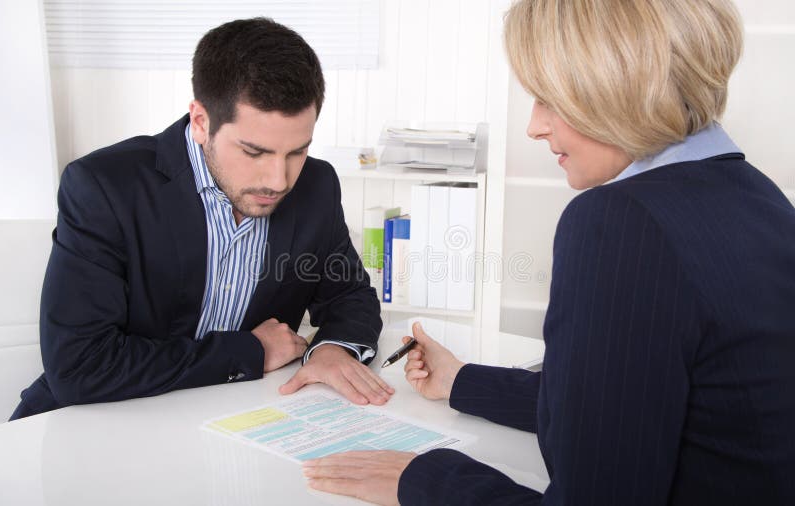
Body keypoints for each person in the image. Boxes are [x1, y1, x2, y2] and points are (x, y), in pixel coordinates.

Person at [301, 0, 795, 504]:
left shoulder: (621, 221)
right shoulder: (759, 196)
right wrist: (462, 383)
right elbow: (637, 402)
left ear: (616, 86)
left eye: (548, 99)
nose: (535, 126)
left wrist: (426, 480)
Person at [11, 17, 394, 421]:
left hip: (226, 424)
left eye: (297, 151)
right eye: (254, 152)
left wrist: (332, 349)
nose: (278, 180)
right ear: (200, 122)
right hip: (84, 426)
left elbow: (349, 296)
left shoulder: (316, 186)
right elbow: (80, 366)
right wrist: (249, 352)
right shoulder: (104, 188)